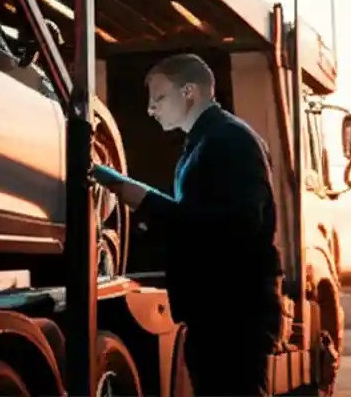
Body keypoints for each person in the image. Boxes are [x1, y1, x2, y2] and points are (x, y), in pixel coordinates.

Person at [91, 53, 283, 397]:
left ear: (189, 92)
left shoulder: (229, 140)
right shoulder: (208, 140)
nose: (151, 109)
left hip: (231, 312)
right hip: (219, 309)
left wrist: (139, 197)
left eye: (159, 98)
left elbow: (237, 224)